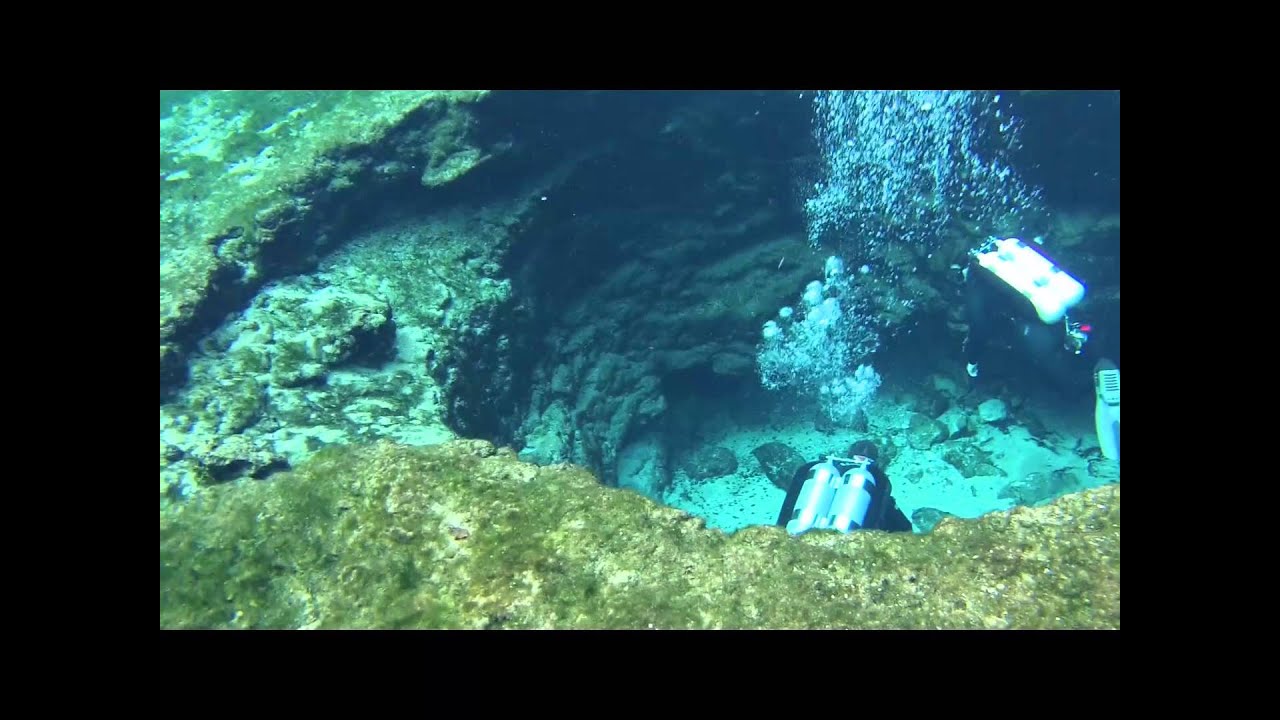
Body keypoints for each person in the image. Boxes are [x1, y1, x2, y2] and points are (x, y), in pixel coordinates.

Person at [962, 236, 1119, 460]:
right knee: (1082, 339)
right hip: (1069, 305)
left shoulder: (976, 278)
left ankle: (1092, 390)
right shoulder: (1015, 247)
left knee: (1067, 382)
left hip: (1036, 329)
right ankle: (1103, 363)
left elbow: (980, 326)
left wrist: (972, 362)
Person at [777, 441, 913, 535]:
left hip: (799, 535)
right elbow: (904, 528)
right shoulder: (873, 483)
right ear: (876, 462)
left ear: (849, 455)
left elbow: (790, 505)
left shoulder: (821, 474)